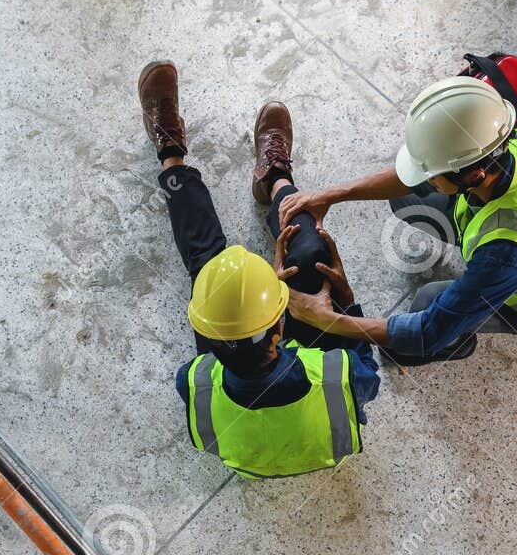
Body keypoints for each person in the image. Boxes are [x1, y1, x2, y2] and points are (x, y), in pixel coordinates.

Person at [136, 60, 380, 478]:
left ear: (206, 339)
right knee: (310, 252)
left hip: (250, 439)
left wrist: (241, 299)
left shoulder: (195, 383)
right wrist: (347, 302)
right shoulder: (338, 377)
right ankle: (278, 182)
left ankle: (170, 155)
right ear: (282, 325)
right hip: (313, 426)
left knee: (211, 269)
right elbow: (368, 374)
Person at [275, 75, 517, 364]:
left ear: (474, 174)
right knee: (407, 199)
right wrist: (332, 195)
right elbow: (412, 179)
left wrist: (326, 319)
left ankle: (457, 343)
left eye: (434, 173)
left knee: (424, 313)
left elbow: (427, 331)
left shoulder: (507, 254)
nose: (427, 178)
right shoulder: (513, 143)